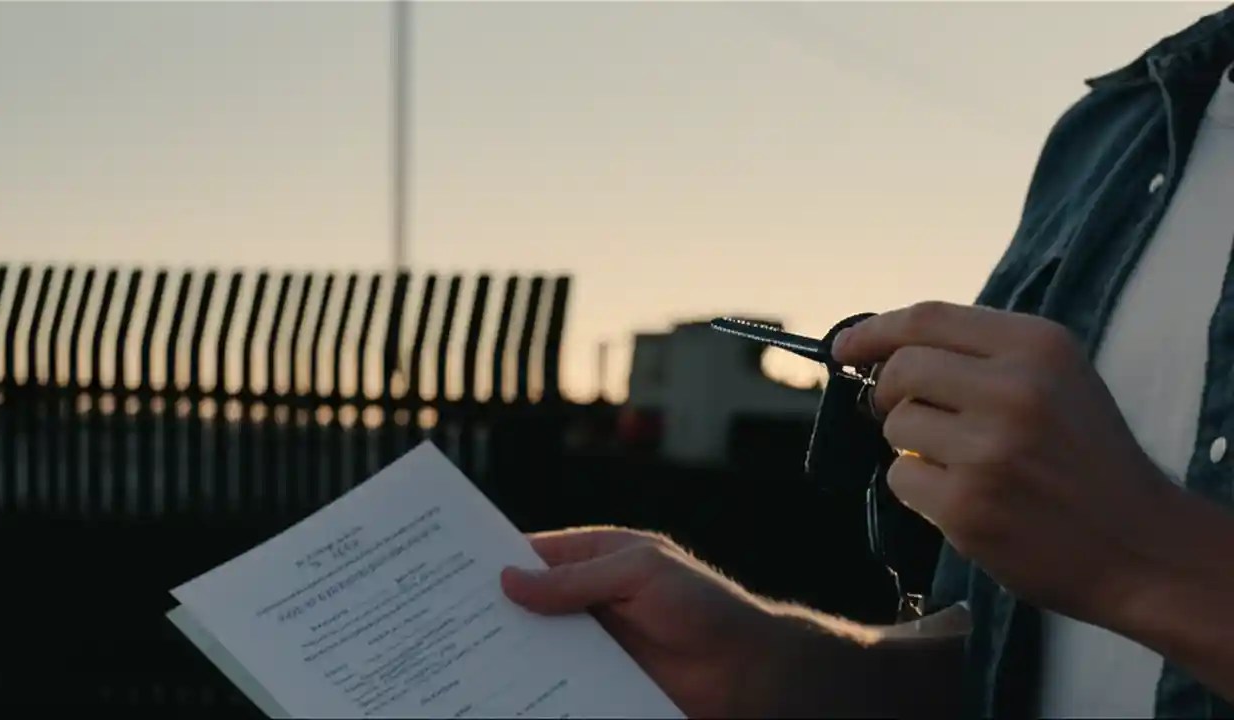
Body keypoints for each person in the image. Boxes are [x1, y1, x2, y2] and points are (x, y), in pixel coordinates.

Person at [499, 6, 1234, 719]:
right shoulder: (1120, 128)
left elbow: (1118, 564)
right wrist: (785, 672)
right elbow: (1020, 669)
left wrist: (1144, 561)